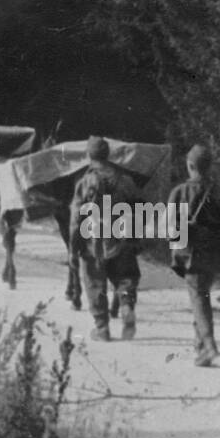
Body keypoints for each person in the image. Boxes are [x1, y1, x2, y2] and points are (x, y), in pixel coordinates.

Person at [70, 136, 142, 341]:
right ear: (108, 154)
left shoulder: (84, 182)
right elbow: (138, 210)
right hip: (121, 238)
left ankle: (102, 328)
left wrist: (73, 249)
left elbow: (76, 220)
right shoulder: (126, 180)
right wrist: (135, 240)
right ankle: (127, 306)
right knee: (126, 278)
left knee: (95, 283)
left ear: (88, 155)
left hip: (94, 242)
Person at [169, 145, 220, 366]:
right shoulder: (219, 192)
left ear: (190, 165)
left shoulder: (179, 192)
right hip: (214, 255)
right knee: (202, 297)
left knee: (198, 299)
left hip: (191, 255)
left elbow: (172, 229)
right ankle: (200, 347)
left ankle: (208, 344)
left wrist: (177, 253)